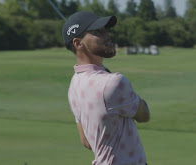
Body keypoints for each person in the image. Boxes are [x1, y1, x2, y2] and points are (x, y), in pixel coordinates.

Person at [62, 11, 150, 165]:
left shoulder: (74, 85)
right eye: (98, 32)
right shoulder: (114, 82)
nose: (107, 35)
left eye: (105, 30)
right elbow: (144, 115)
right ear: (78, 43)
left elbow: (87, 142)